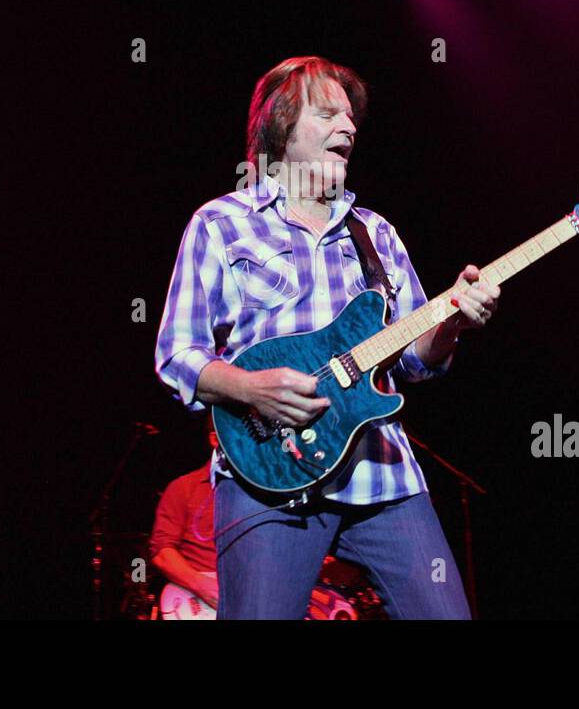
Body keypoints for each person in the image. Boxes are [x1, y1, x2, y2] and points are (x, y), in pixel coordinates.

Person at [155, 55, 499, 619]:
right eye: (327, 114)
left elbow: (417, 358)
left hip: (379, 474)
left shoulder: (377, 234)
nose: (350, 127)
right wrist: (250, 388)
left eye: (351, 117)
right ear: (280, 127)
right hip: (267, 472)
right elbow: (177, 356)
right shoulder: (221, 223)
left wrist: (453, 321)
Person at [150, 429, 220, 615]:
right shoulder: (184, 488)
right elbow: (162, 553)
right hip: (198, 603)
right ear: (215, 438)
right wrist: (201, 586)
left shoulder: (269, 496)